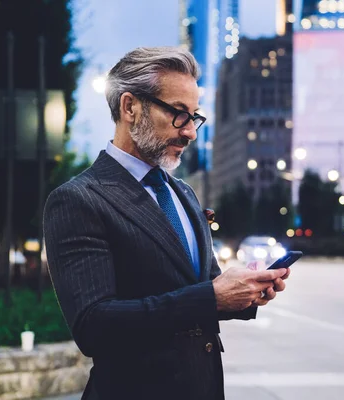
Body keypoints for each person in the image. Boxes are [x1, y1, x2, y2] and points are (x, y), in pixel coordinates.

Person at [43, 46, 290, 400]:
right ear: (130, 107)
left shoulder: (183, 193)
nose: (190, 132)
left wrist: (246, 292)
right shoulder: (80, 199)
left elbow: (201, 288)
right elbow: (94, 326)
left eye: (194, 117)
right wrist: (211, 296)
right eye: (178, 114)